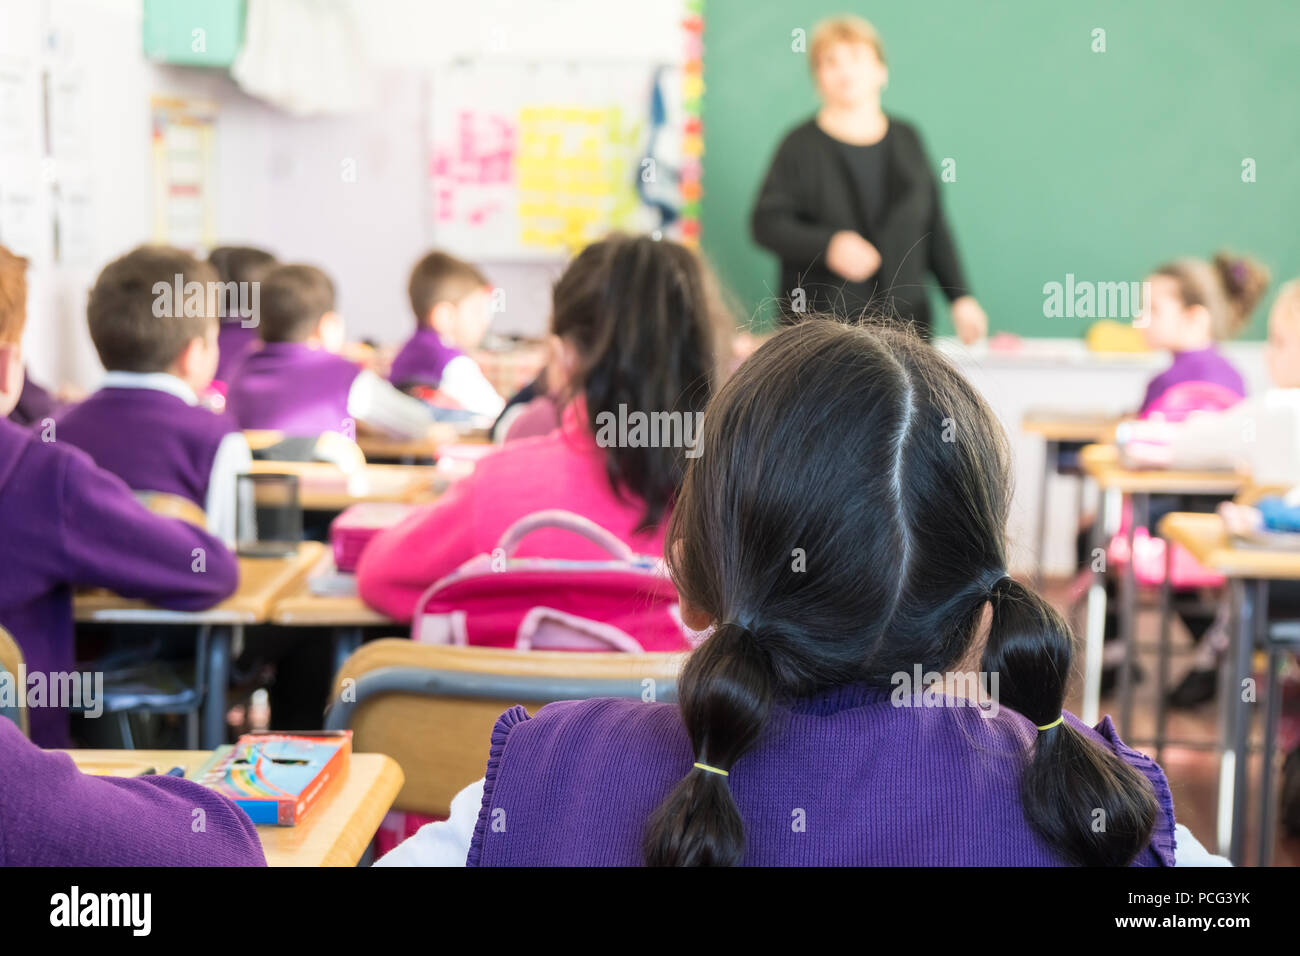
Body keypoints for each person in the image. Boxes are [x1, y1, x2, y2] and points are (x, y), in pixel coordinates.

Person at [750, 15, 986, 342]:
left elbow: (933, 225)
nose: (845, 71)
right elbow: (766, 223)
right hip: (823, 333)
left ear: (881, 71)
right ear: (818, 77)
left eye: (857, 58)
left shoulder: (908, 140)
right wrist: (828, 245)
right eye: (831, 61)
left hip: (906, 328)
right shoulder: (799, 146)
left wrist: (960, 298)